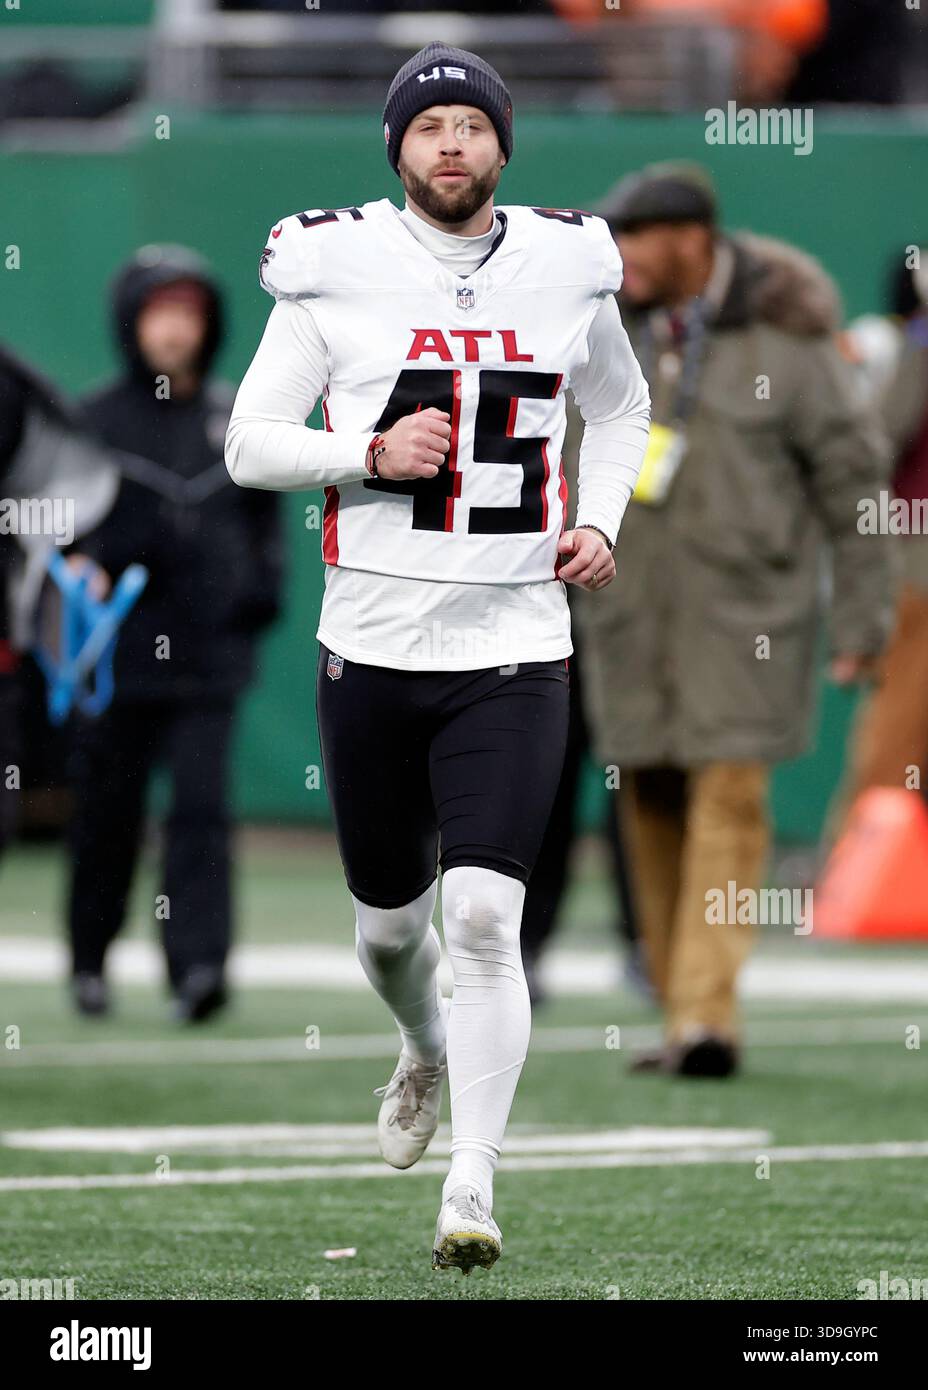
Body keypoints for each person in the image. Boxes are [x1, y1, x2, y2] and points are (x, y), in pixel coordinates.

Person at [225, 42, 650, 1273]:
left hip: (516, 639)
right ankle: (418, 1043)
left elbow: (619, 407)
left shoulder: (572, 262)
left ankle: (473, 1182)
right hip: (371, 636)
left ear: (503, 144)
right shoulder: (330, 260)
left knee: (480, 915)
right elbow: (251, 443)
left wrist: (600, 518)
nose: (450, 143)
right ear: (396, 148)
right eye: (429, 126)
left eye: (472, 123)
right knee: (390, 933)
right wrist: (363, 452)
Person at [567, 163, 893, 1078]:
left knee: (728, 802)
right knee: (650, 805)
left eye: (635, 237)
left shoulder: (789, 344)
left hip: (749, 621)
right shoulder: (605, 339)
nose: (620, 256)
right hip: (628, 621)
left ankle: (708, 1016)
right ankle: (681, 1013)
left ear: (692, 240)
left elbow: (853, 482)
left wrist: (864, 618)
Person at [67, 246, 284, 1023]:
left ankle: (197, 970)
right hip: (113, 657)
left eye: (188, 314)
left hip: (209, 660)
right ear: (132, 323)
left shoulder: (237, 418)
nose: (174, 330)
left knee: (200, 813)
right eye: (160, 313)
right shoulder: (91, 423)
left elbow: (265, 526)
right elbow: (61, 528)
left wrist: (257, 595)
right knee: (107, 814)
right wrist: (84, 564)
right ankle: (89, 962)